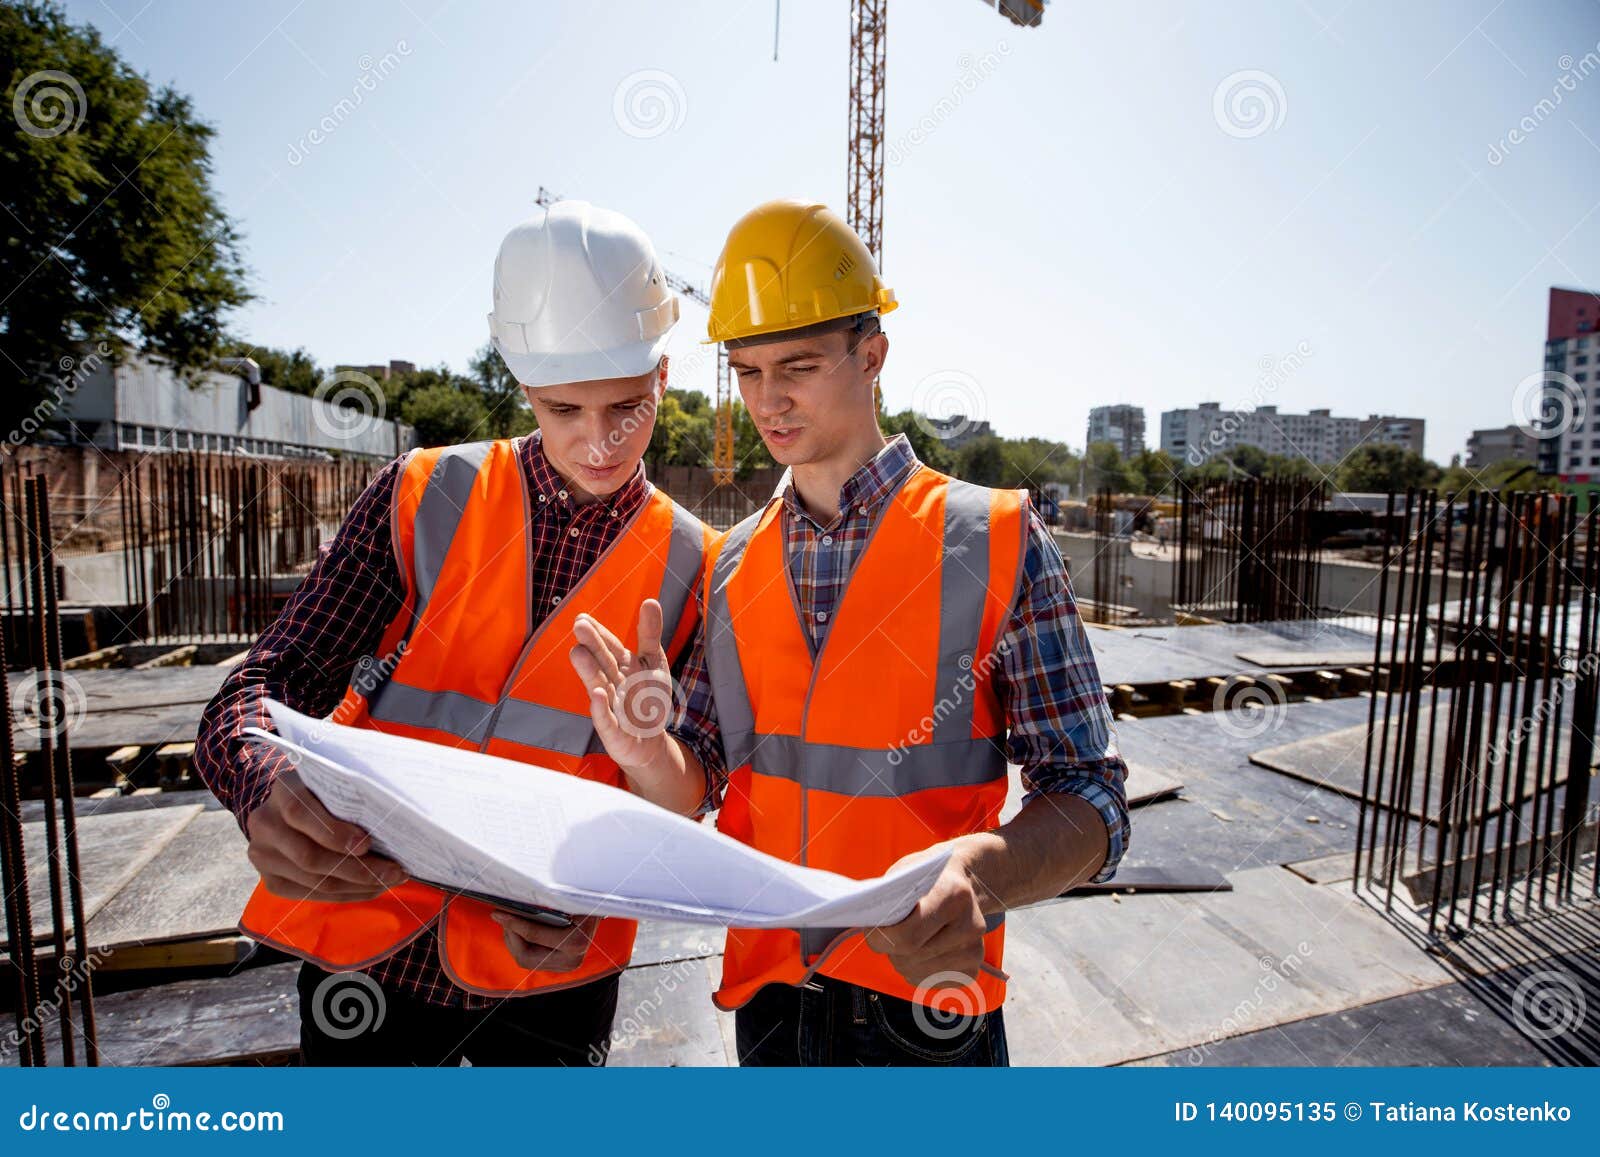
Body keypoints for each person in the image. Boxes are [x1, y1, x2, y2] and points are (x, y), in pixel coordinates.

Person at [574, 198, 1131, 1066]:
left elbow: (1091, 796)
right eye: (747, 370)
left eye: (796, 365)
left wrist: (983, 876)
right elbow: (699, 782)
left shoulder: (994, 538)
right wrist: (647, 750)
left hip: (925, 1009)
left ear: (872, 355)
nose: (769, 399)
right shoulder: (731, 566)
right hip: (773, 1000)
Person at [195, 201, 713, 1066]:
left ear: (663, 375)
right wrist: (264, 787)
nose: (598, 442)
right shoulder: (422, 493)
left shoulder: (697, 563)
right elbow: (262, 684)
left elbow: (693, 802)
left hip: (548, 968)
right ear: (522, 386)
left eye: (627, 406)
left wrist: (646, 779)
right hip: (368, 949)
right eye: (564, 408)